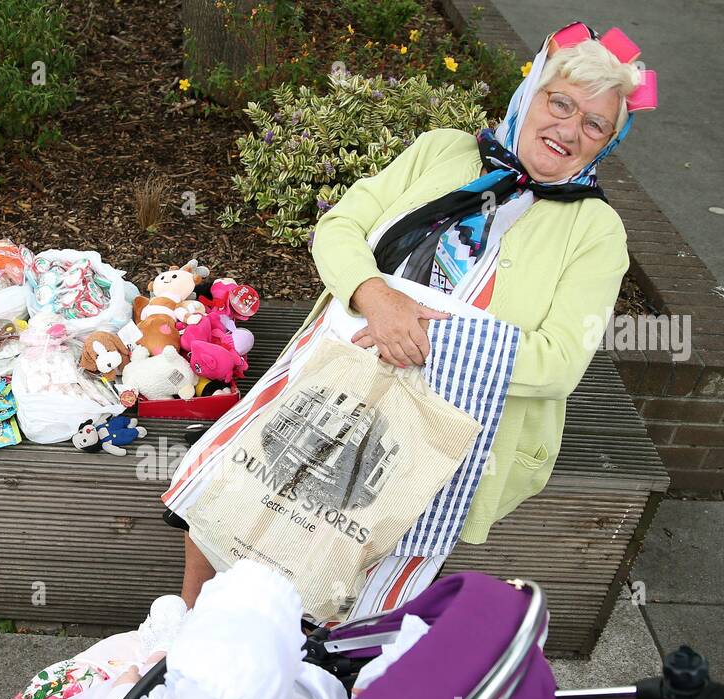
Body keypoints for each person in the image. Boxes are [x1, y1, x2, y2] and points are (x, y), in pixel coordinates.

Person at [165, 21, 657, 617]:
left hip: (443, 424)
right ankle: (185, 642)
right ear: (530, 96)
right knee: (233, 500)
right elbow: (338, 227)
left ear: (607, 141)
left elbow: (557, 362)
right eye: (560, 103)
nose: (568, 130)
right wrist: (375, 297)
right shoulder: (441, 150)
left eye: (593, 124)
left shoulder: (597, 232)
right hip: (339, 370)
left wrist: (415, 335)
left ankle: (309, 687)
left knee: (353, 575)